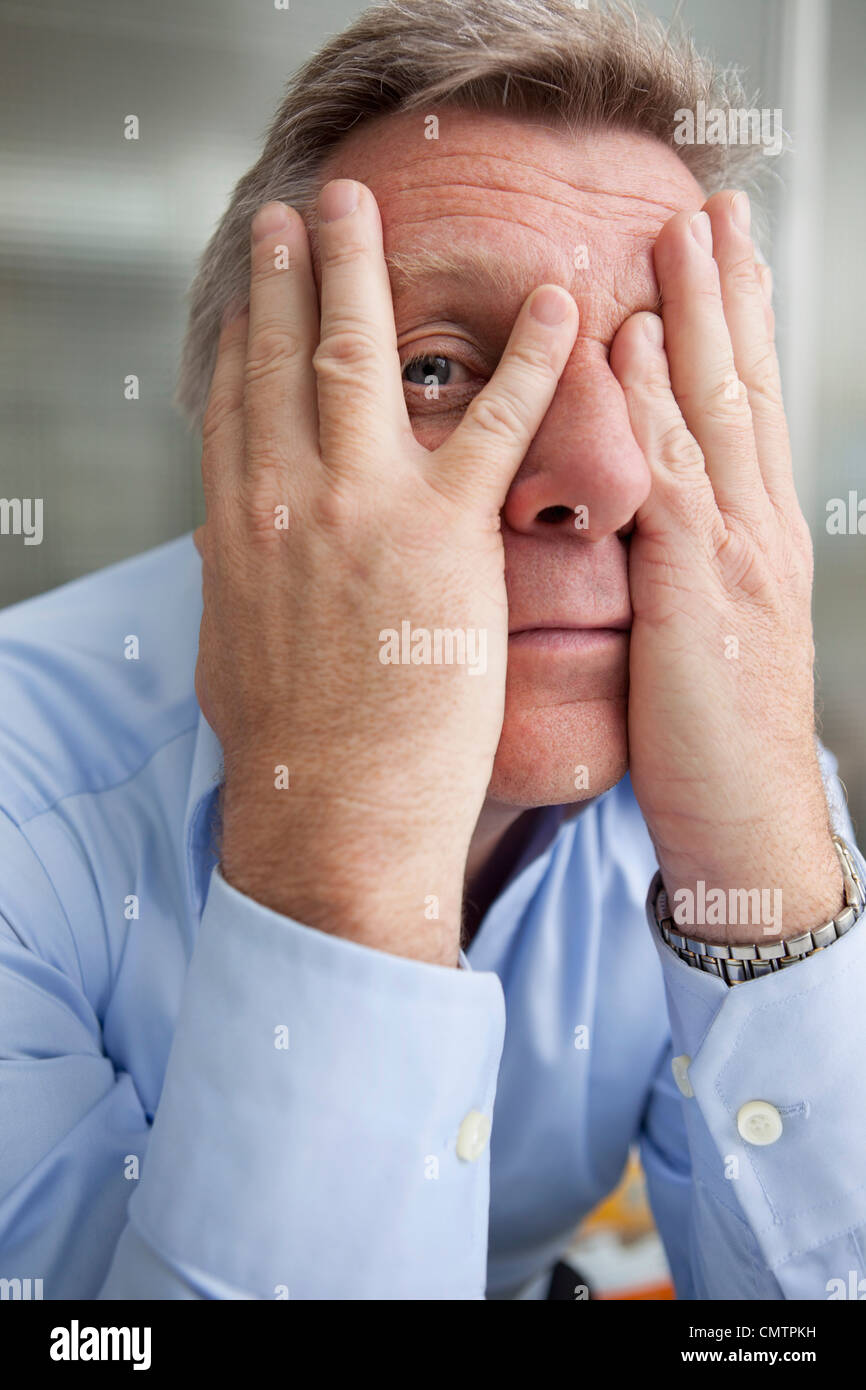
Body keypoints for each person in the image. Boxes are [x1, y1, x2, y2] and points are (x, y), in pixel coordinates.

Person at [1, 0, 864, 1301]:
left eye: (666, 373)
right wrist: (344, 851)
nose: (603, 470)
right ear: (244, 447)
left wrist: (771, 890)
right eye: (437, 369)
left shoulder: (726, 745)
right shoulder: (23, 802)